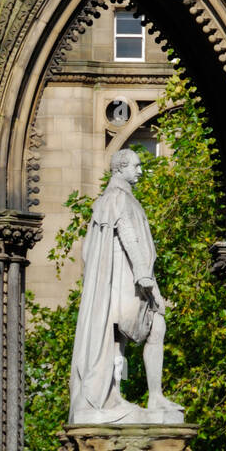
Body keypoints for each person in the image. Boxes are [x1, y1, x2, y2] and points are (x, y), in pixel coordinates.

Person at [69, 148, 183, 425]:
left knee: (153, 327)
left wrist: (149, 280)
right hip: (124, 281)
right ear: (120, 168)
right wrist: (143, 276)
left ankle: (153, 396)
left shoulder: (125, 198)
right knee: (121, 333)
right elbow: (128, 235)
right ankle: (112, 396)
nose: (141, 170)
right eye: (136, 165)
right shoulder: (116, 198)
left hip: (135, 279)